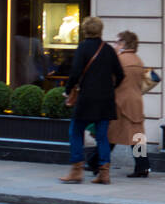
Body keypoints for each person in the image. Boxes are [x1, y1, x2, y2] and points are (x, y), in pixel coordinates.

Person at [60, 16, 125, 185]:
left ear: (84, 30)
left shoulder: (83, 48)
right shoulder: (109, 50)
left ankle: (76, 170)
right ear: (100, 30)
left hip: (86, 99)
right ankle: (104, 173)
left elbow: (75, 73)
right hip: (105, 100)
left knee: (75, 131)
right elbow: (120, 74)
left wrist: (68, 90)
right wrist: (111, 88)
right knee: (102, 136)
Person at [108, 30, 151, 178]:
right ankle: (143, 167)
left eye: (116, 42)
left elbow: (111, 80)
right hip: (136, 101)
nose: (114, 45)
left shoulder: (119, 60)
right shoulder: (138, 60)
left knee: (110, 134)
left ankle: (96, 163)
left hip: (120, 102)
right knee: (137, 136)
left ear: (123, 43)